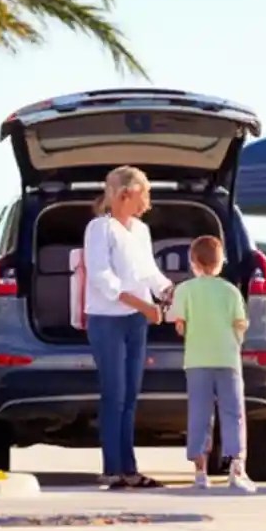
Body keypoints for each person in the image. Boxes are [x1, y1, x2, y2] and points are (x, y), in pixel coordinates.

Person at [83, 165, 174, 489]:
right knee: (114, 394)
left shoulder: (140, 230)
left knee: (131, 396)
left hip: (136, 322)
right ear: (125, 194)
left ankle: (129, 469)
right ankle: (112, 468)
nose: (147, 200)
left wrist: (171, 294)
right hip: (108, 320)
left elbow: (150, 273)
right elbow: (102, 278)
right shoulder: (100, 229)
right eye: (144, 192)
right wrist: (144, 306)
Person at [170, 235, 256, 493]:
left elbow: (180, 326)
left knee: (199, 413)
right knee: (233, 413)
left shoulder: (184, 290)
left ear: (193, 262)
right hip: (228, 360)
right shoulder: (230, 291)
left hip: (197, 361)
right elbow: (240, 324)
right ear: (221, 263)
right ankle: (236, 469)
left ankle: (200, 471)